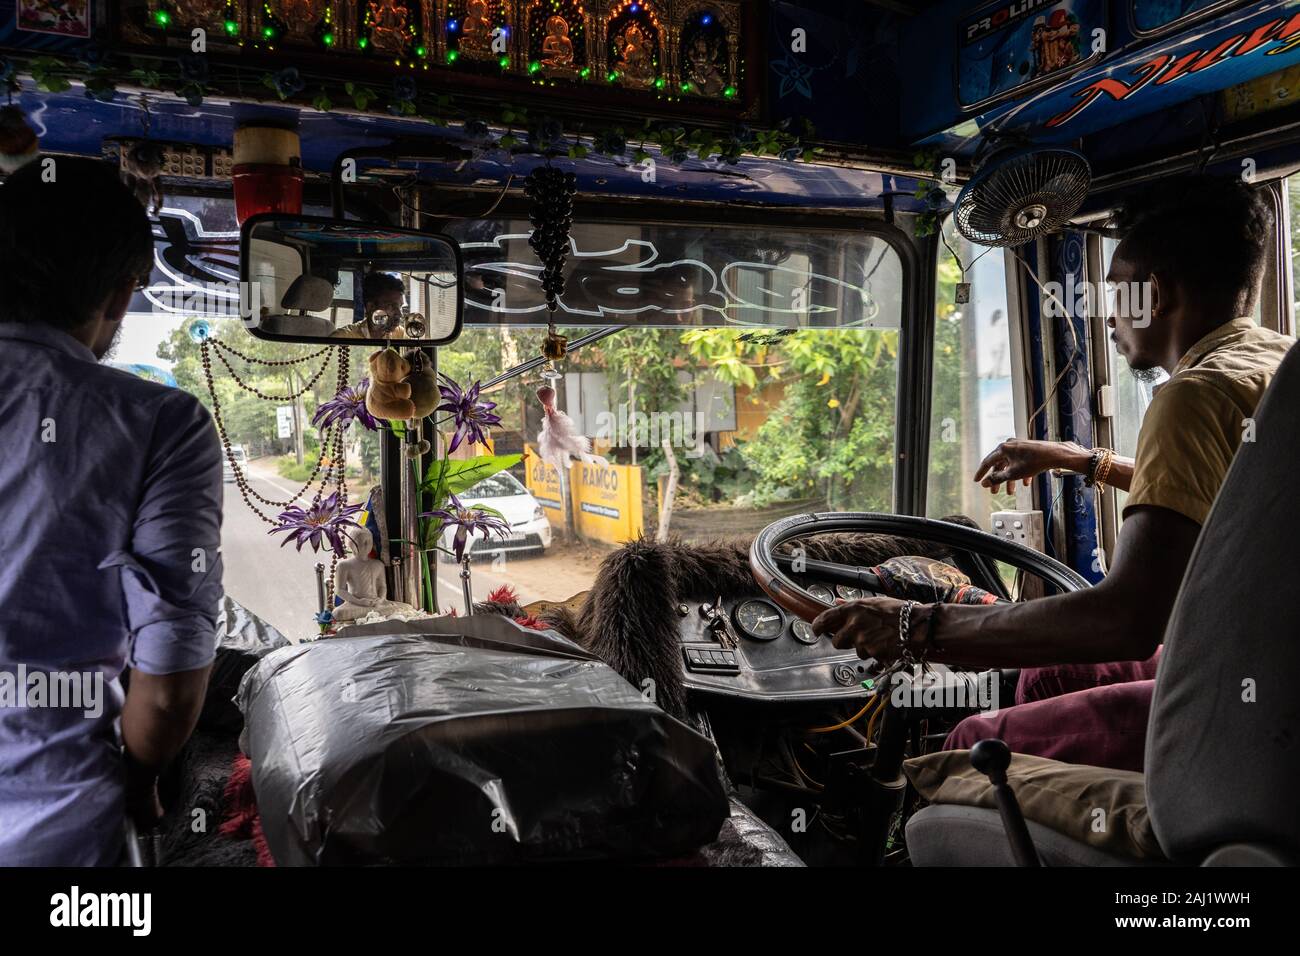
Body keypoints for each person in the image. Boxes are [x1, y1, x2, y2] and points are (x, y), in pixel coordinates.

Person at [814, 175, 1294, 772]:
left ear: (1158, 294)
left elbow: (1126, 621)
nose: (1111, 319)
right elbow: (1221, 492)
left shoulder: (1192, 396)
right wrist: (1076, 459)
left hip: (1243, 700)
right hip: (1268, 671)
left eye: (1117, 292)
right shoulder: (1270, 362)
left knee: (965, 745)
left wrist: (917, 625)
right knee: (1051, 672)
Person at [0, 157, 222, 864]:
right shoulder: (160, 423)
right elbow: (164, 694)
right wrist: (142, 781)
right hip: (59, 833)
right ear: (122, 295)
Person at [331, 271, 408, 340]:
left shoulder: (400, 334)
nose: (399, 314)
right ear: (370, 307)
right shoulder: (343, 337)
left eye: (400, 306)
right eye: (391, 306)